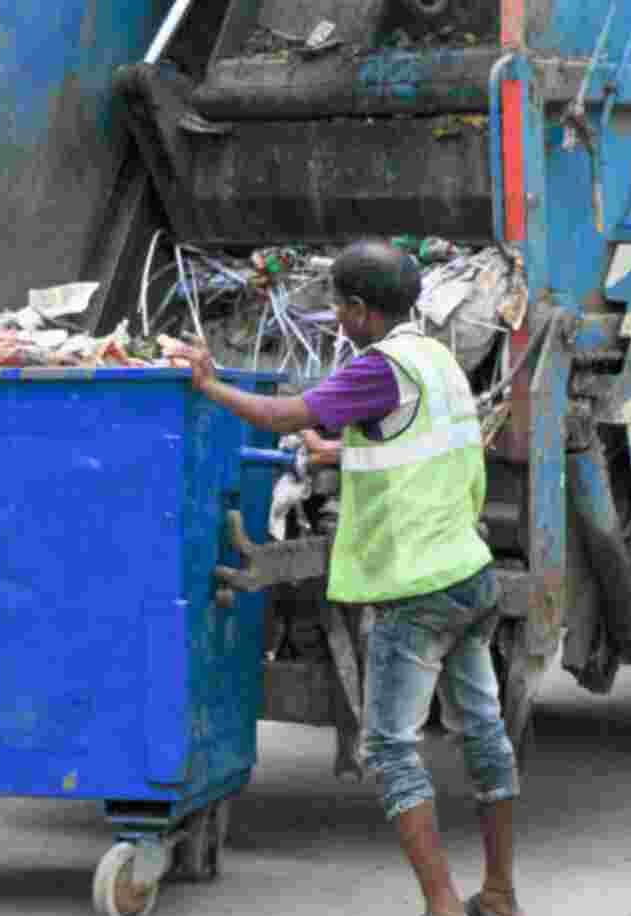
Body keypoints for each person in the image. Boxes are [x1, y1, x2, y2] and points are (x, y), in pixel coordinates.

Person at [166, 239, 523, 916]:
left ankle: (442, 905)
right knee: (483, 734)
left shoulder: (378, 368)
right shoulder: (436, 358)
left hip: (414, 590)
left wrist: (211, 383)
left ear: (359, 310)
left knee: (391, 750)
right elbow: (417, 442)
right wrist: (340, 448)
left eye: (338, 306)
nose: (335, 317)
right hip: (469, 577)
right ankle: (499, 892)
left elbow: (280, 414)